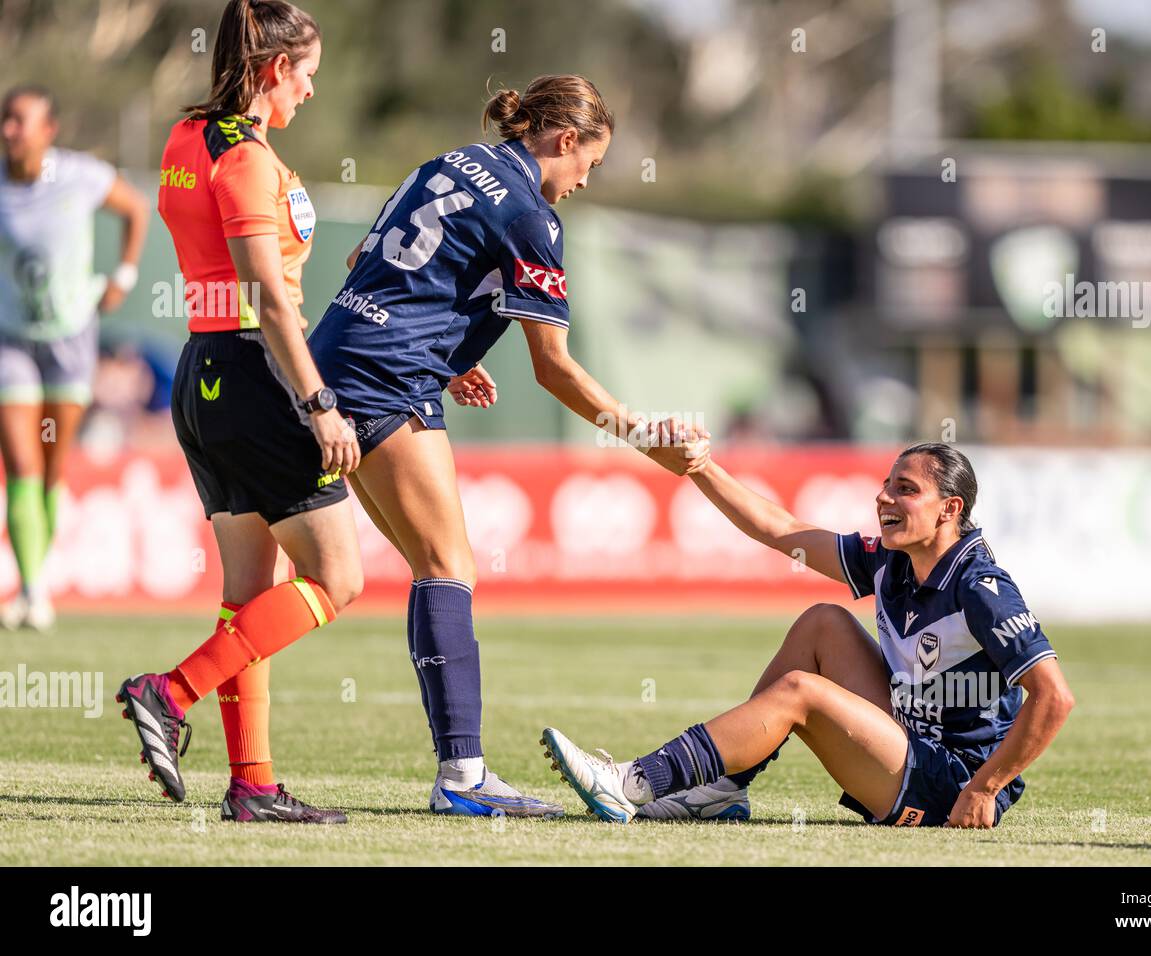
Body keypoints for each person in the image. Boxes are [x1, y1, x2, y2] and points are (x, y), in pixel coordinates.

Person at [308, 75, 709, 817]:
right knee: (447, 568)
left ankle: (187, 699)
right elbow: (553, 369)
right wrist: (644, 436)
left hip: (332, 362)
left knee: (425, 571)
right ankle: (462, 777)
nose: (587, 179)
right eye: (590, 160)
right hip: (385, 378)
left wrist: (450, 354)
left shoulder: (450, 161)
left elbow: (365, 261)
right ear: (563, 140)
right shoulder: (530, 213)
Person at [542, 442, 1074, 828]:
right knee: (823, 621)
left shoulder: (981, 588)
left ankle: (635, 782)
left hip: (952, 785)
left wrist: (985, 789)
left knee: (802, 691)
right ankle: (723, 790)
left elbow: (1054, 697)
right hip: (910, 738)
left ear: (950, 509)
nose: (884, 497)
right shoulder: (892, 560)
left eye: (906, 490)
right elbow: (779, 530)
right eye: (887, 484)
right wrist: (700, 467)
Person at [116, 0, 364, 824]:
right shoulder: (249, 159)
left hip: (201, 371)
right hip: (255, 374)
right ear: (271, 71)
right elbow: (265, 294)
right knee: (340, 577)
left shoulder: (186, 140)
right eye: (307, 76)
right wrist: (319, 402)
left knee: (251, 592)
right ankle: (170, 691)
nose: (311, 93)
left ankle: (253, 786)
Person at [0, 85, 148, 631]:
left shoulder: (81, 176)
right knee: (21, 464)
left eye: (21, 121)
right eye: (6, 121)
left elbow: (135, 208)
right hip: (10, 341)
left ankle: (38, 580)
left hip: (70, 339)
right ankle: (32, 592)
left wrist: (124, 275)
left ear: (49, 130)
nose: (10, 131)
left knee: (52, 469)